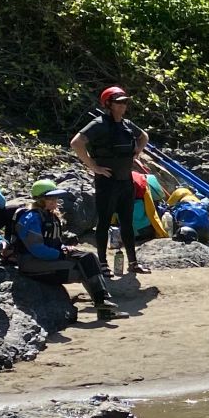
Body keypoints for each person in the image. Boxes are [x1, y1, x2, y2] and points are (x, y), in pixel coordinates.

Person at [70, 85, 148, 278]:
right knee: (104, 222)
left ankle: (133, 263)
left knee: (127, 223)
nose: (123, 106)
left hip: (125, 181)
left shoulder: (127, 125)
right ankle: (103, 263)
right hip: (107, 182)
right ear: (109, 104)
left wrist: (137, 152)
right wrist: (93, 167)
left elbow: (144, 136)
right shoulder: (98, 124)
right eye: (119, 103)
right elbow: (76, 143)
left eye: (125, 102)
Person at [12, 180, 118, 319]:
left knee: (89, 257)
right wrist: (61, 254)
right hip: (32, 263)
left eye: (55, 197)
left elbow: (54, 242)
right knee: (80, 269)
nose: (54, 201)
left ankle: (102, 303)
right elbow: (37, 249)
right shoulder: (31, 218)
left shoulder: (50, 215)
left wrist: (64, 248)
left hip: (48, 259)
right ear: (39, 199)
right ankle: (102, 307)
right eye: (50, 198)